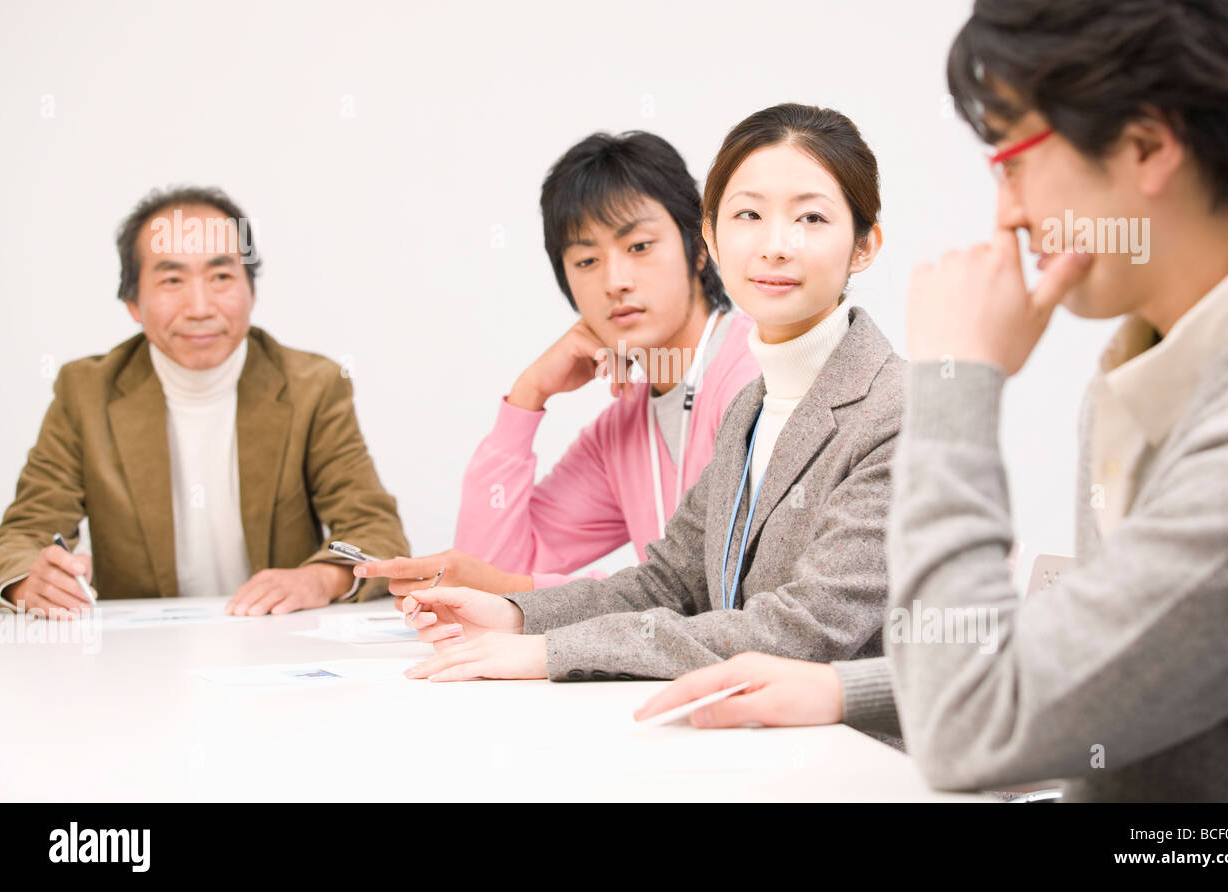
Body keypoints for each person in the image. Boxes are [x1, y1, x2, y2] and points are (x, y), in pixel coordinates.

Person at [636, 0, 1228, 802]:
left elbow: (976, 726)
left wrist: (955, 382)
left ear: (1145, 146)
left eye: (1013, 161)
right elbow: (1083, 668)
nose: (1007, 214)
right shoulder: (1150, 361)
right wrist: (844, 689)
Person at [363, 103, 905, 684]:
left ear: (864, 245)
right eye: (748, 214)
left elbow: (800, 629)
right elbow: (670, 584)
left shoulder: (890, 408)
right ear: (714, 239)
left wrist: (550, 650)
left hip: (865, 755)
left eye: (812, 219)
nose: (774, 245)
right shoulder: (755, 407)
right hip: (749, 729)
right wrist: (515, 616)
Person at [0, 186, 409, 616]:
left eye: (220, 277)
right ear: (133, 302)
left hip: (275, 643)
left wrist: (320, 579)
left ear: (251, 292)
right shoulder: (85, 391)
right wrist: (31, 580)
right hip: (138, 658)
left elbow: (375, 530)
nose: (199, 307)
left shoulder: (313, 386)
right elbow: (26, 531)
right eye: (172, 280)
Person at [385, 132, 759, 596]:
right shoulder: (622, 431)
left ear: (700, 246)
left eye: (639, 247)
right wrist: (527, 396)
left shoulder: (757, 375)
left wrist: (560, 596)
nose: (615, 281)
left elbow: (731, 593)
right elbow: (486, 579)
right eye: (586, 260)